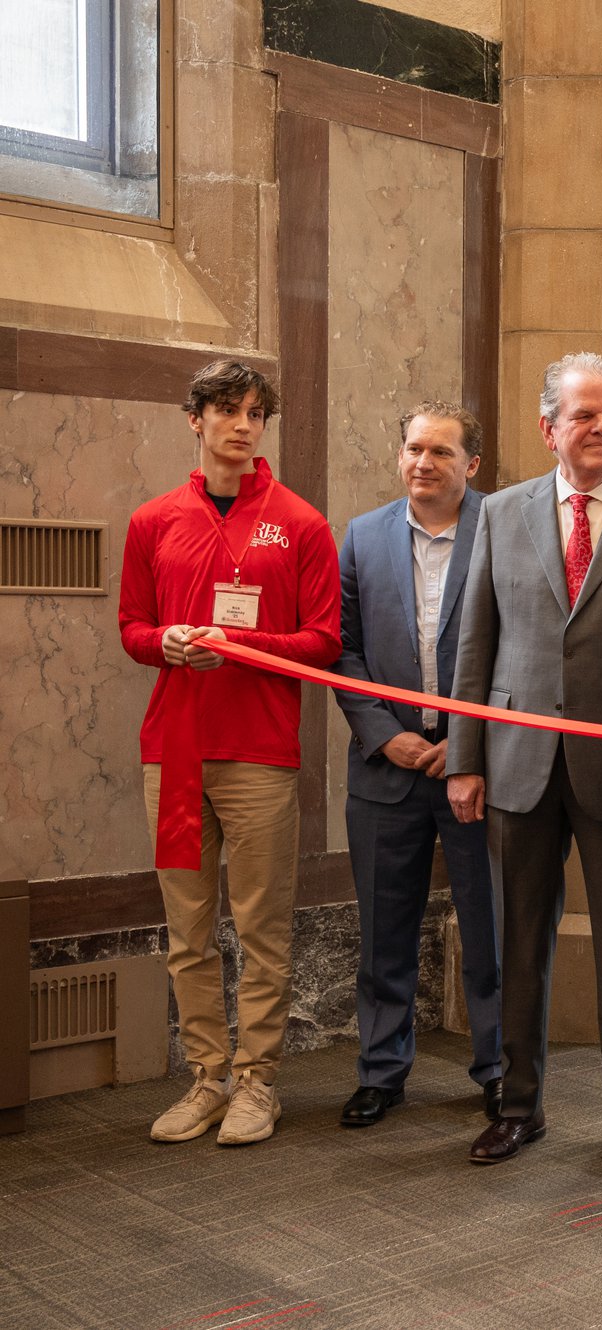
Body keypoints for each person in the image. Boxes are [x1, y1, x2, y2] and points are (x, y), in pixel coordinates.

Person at [446, 352, 602, 1169]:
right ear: (547, 427)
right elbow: (475, 646)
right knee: (521, 939)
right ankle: (518, 1106)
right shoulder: (501, 514)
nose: (600, 428)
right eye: (583, 415)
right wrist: (464, 760)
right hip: (517, 760)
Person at [117, 359, 340, 1146]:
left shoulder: (301, 524)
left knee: (261, 926)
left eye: (255, 413)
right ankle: (207, 1077)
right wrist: (168, 641)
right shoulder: (153, 521)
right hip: (173, 752)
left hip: (257, 756)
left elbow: (323, 642)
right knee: (187, 928)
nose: (242, 425)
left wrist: (238, 645)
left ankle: (257, 1082)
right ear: (196, 420)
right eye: (226, 410)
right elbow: (132, 631)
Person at [332, 401, 502, 1128]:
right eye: (413, 449)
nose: (422, 463)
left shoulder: (506, 529)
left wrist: (464, 744)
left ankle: (500, 1069)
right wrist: (384, 734)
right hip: (386, 767)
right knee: (385, 928)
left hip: (479, 768)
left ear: (472, 464)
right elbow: (342, 649)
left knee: (491, 928)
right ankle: (381, 1070)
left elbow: (518, 649)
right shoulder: (364, 536)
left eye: (440, 451)